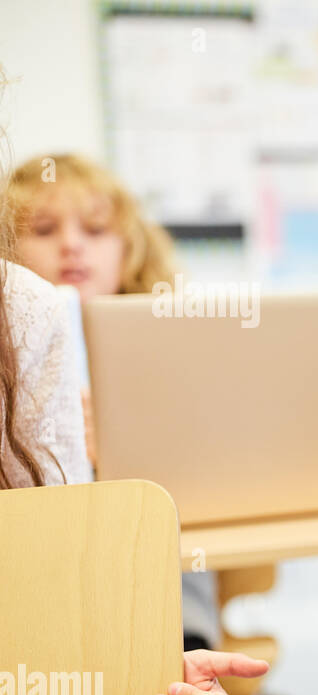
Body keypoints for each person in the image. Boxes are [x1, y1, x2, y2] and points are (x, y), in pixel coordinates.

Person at [5, 153, 221, 652]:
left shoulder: (168, 348)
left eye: (96, 229)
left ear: (129, 249)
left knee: (165, 512)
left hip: (160, 586)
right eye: (42, 229)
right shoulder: (15, 358)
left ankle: (181, 649)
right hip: (41, 583)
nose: (72, 245)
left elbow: (209, 476)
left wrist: (122, 454)